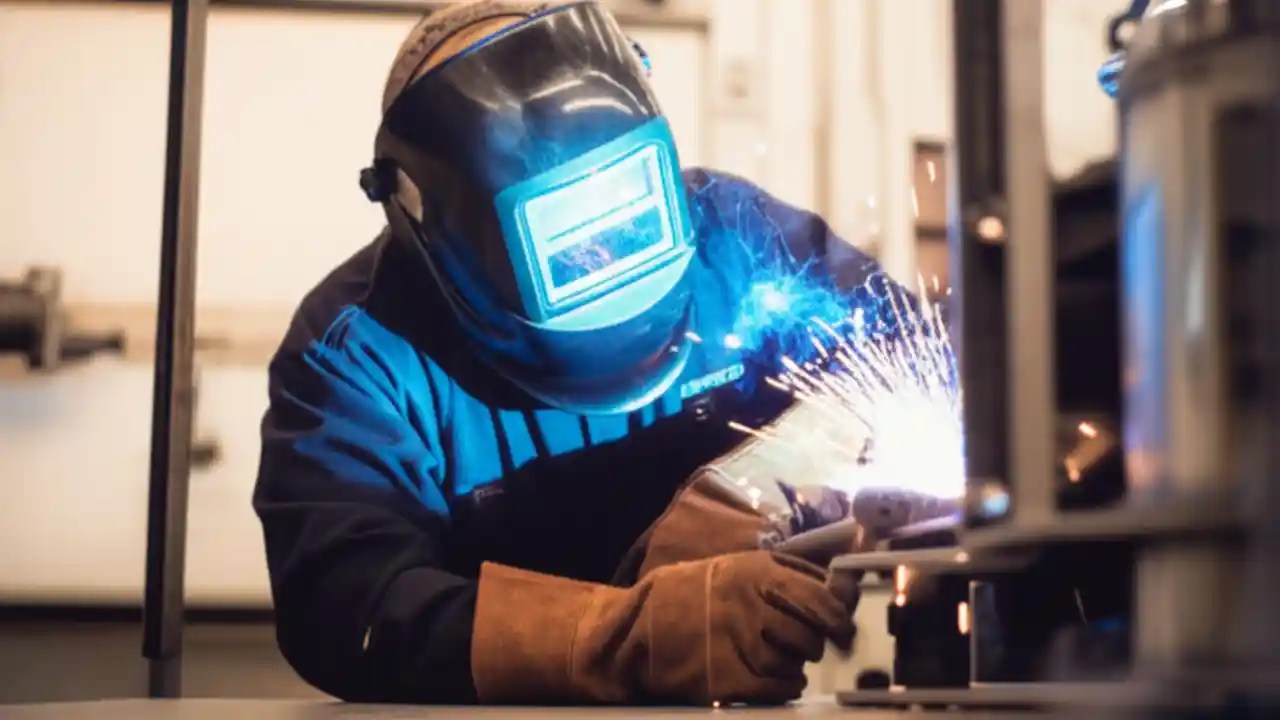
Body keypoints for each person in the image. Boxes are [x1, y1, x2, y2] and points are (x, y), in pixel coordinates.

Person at [254, 0, 907, 706]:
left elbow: (923, 363)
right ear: (430, 215)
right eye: (569, 246)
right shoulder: (358, 355)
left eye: (627, 224)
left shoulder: (737, 237)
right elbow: (347, 608)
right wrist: (628, 637)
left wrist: (776, 479)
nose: (604, 257)